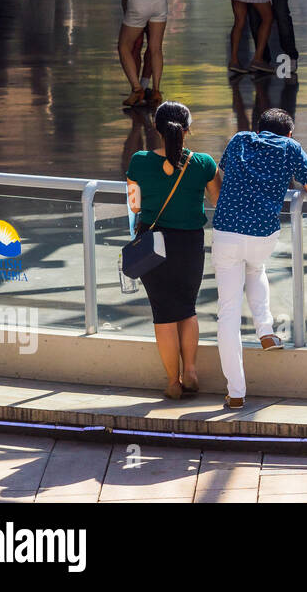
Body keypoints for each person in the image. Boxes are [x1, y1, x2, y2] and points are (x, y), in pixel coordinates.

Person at [211, 107, 307, 408]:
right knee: (256, 267)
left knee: (228, 312)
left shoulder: (239, 140)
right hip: (262, 234)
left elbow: (224, 173)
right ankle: (265, 331)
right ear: (289, 132)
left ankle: (236, 392)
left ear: (258, 128)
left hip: (226, 231)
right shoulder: (290, 147)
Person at [125, 101, 221, 400]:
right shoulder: (204, 163)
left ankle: (172, 381)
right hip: (190, 243)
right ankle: (191, 370)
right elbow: (218, 199)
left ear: (156, 128)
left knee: (163, 314)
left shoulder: (139, 161)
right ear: (188, 129)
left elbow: (134, 205)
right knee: (187, 308)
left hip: (153, 245)